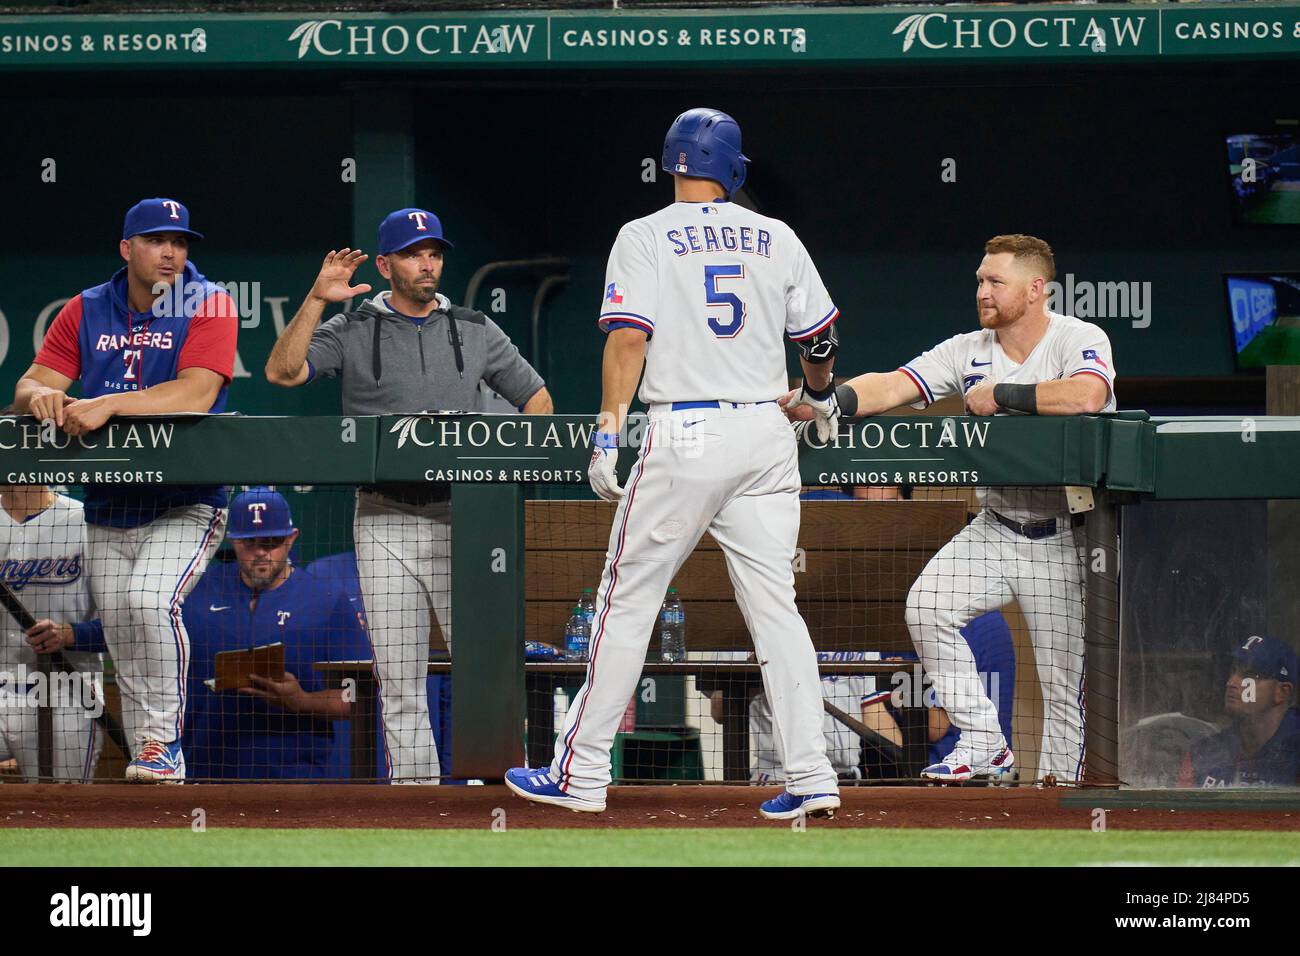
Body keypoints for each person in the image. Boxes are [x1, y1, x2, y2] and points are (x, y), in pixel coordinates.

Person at [505, 107, 844, 820]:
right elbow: (819, 338)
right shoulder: (777, 235)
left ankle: (583, 773)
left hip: (686, 428)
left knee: (627, 601)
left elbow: (628, 340)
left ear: (672, 164)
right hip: (765, 430)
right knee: (775, 611)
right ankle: (813, 775)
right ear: (733, 168)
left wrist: (607, 432)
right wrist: (818, 397)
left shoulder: (646, 234)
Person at [788, 234, 1114, 783]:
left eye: (995, 282)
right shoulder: (967, 348)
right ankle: (986, 740)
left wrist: (1004, 395)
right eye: (980, 281)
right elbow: (893, 385)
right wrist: (827, 400)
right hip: (994, 525)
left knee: (1064, 685)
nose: (982, 291)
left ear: (1036, 289)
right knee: (927, 607)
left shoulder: (1078, 337)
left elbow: (1087, 395)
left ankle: (1064, 805)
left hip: (1063, 534)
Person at [265, 209, 551, 782]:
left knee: (482, 671)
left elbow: (537, 400)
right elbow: (283, 372)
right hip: (383, 515)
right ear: (386, 263)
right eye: (415, 253)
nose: (429, 263)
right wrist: (319, 298)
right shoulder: (352, 328)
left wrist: (504, 471)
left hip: (462, 517)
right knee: (399, 679)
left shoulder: (474, 327)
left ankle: (494, 786)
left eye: (436, 253)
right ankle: (418, 803)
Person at [13, 198, 237, 782]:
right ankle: (149, 758)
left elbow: (194, 394)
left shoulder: (207, 302)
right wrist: (40, 396)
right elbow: (32, 382)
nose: (171, 253)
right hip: (109, 505)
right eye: (157, 240)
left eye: (181, 242)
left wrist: (106, 402)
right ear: (126, 248)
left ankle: (164, 740)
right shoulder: (87, 308)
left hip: (186, 500)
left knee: (148, 602)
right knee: (123, 630)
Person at [182, 488, 371, 780]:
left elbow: (360, 696)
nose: (260, 552)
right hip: (204, 769)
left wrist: (302, 701)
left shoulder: (326, 599)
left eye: (271, 542)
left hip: (295, 774)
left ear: (291, 538)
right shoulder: (197, 588)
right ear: (232, 541)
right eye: (250, 543)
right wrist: (82, 636)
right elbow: (135, 632)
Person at [0, 480, 106, 782]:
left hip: (66, 688)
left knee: (62, 809)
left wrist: (72, 634)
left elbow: (125, 627)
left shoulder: (85, 522)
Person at [1179, 635, 1299, 788]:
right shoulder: (1203, 754)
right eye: (1233, 671)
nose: (1231, 683)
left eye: (1249, 675)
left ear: (1281, 692)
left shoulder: (1295, 751)